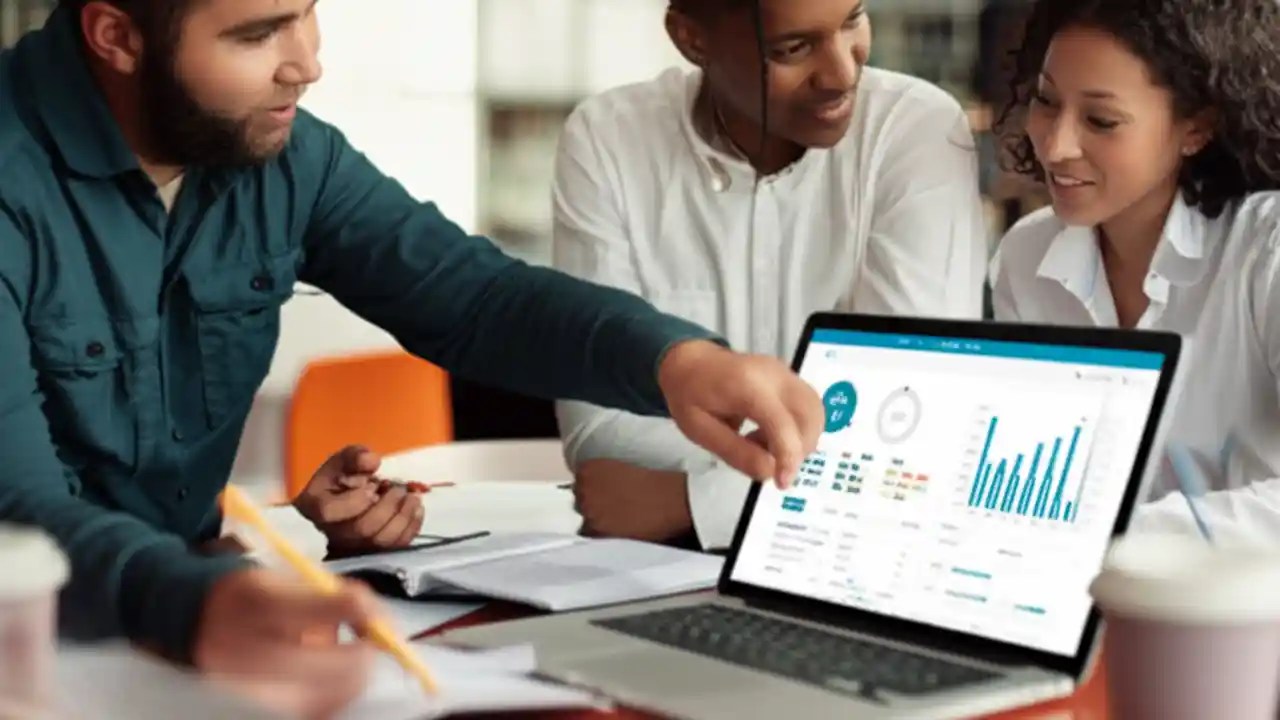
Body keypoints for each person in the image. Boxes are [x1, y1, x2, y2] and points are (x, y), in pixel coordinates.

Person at [0, 0, 825, 714]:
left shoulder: (285, 155)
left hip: (199, 648)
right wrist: (197, 603)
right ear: (116, 35)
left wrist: (672, 360)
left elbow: (474, 298)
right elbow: (17, 507)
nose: (308, 62)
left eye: (308, 12)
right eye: (259, 34)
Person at [553, 0, 988, 550]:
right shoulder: (608, 139)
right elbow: (603, 443)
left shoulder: (915, 130)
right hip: (647, 567)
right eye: (793, 48)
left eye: (853, 19)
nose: (841, 73)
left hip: (858, 564)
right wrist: (832, 476)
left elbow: (911, 429)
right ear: (692, 39)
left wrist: (690, 501)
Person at [989, 0, 1280, 538]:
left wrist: (1113, 535)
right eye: (1046, 101)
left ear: (1196, 128)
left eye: (1101, 120)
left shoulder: (1267, 250)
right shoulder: (1024, 258)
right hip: (1091, 605)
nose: (1056, 145)